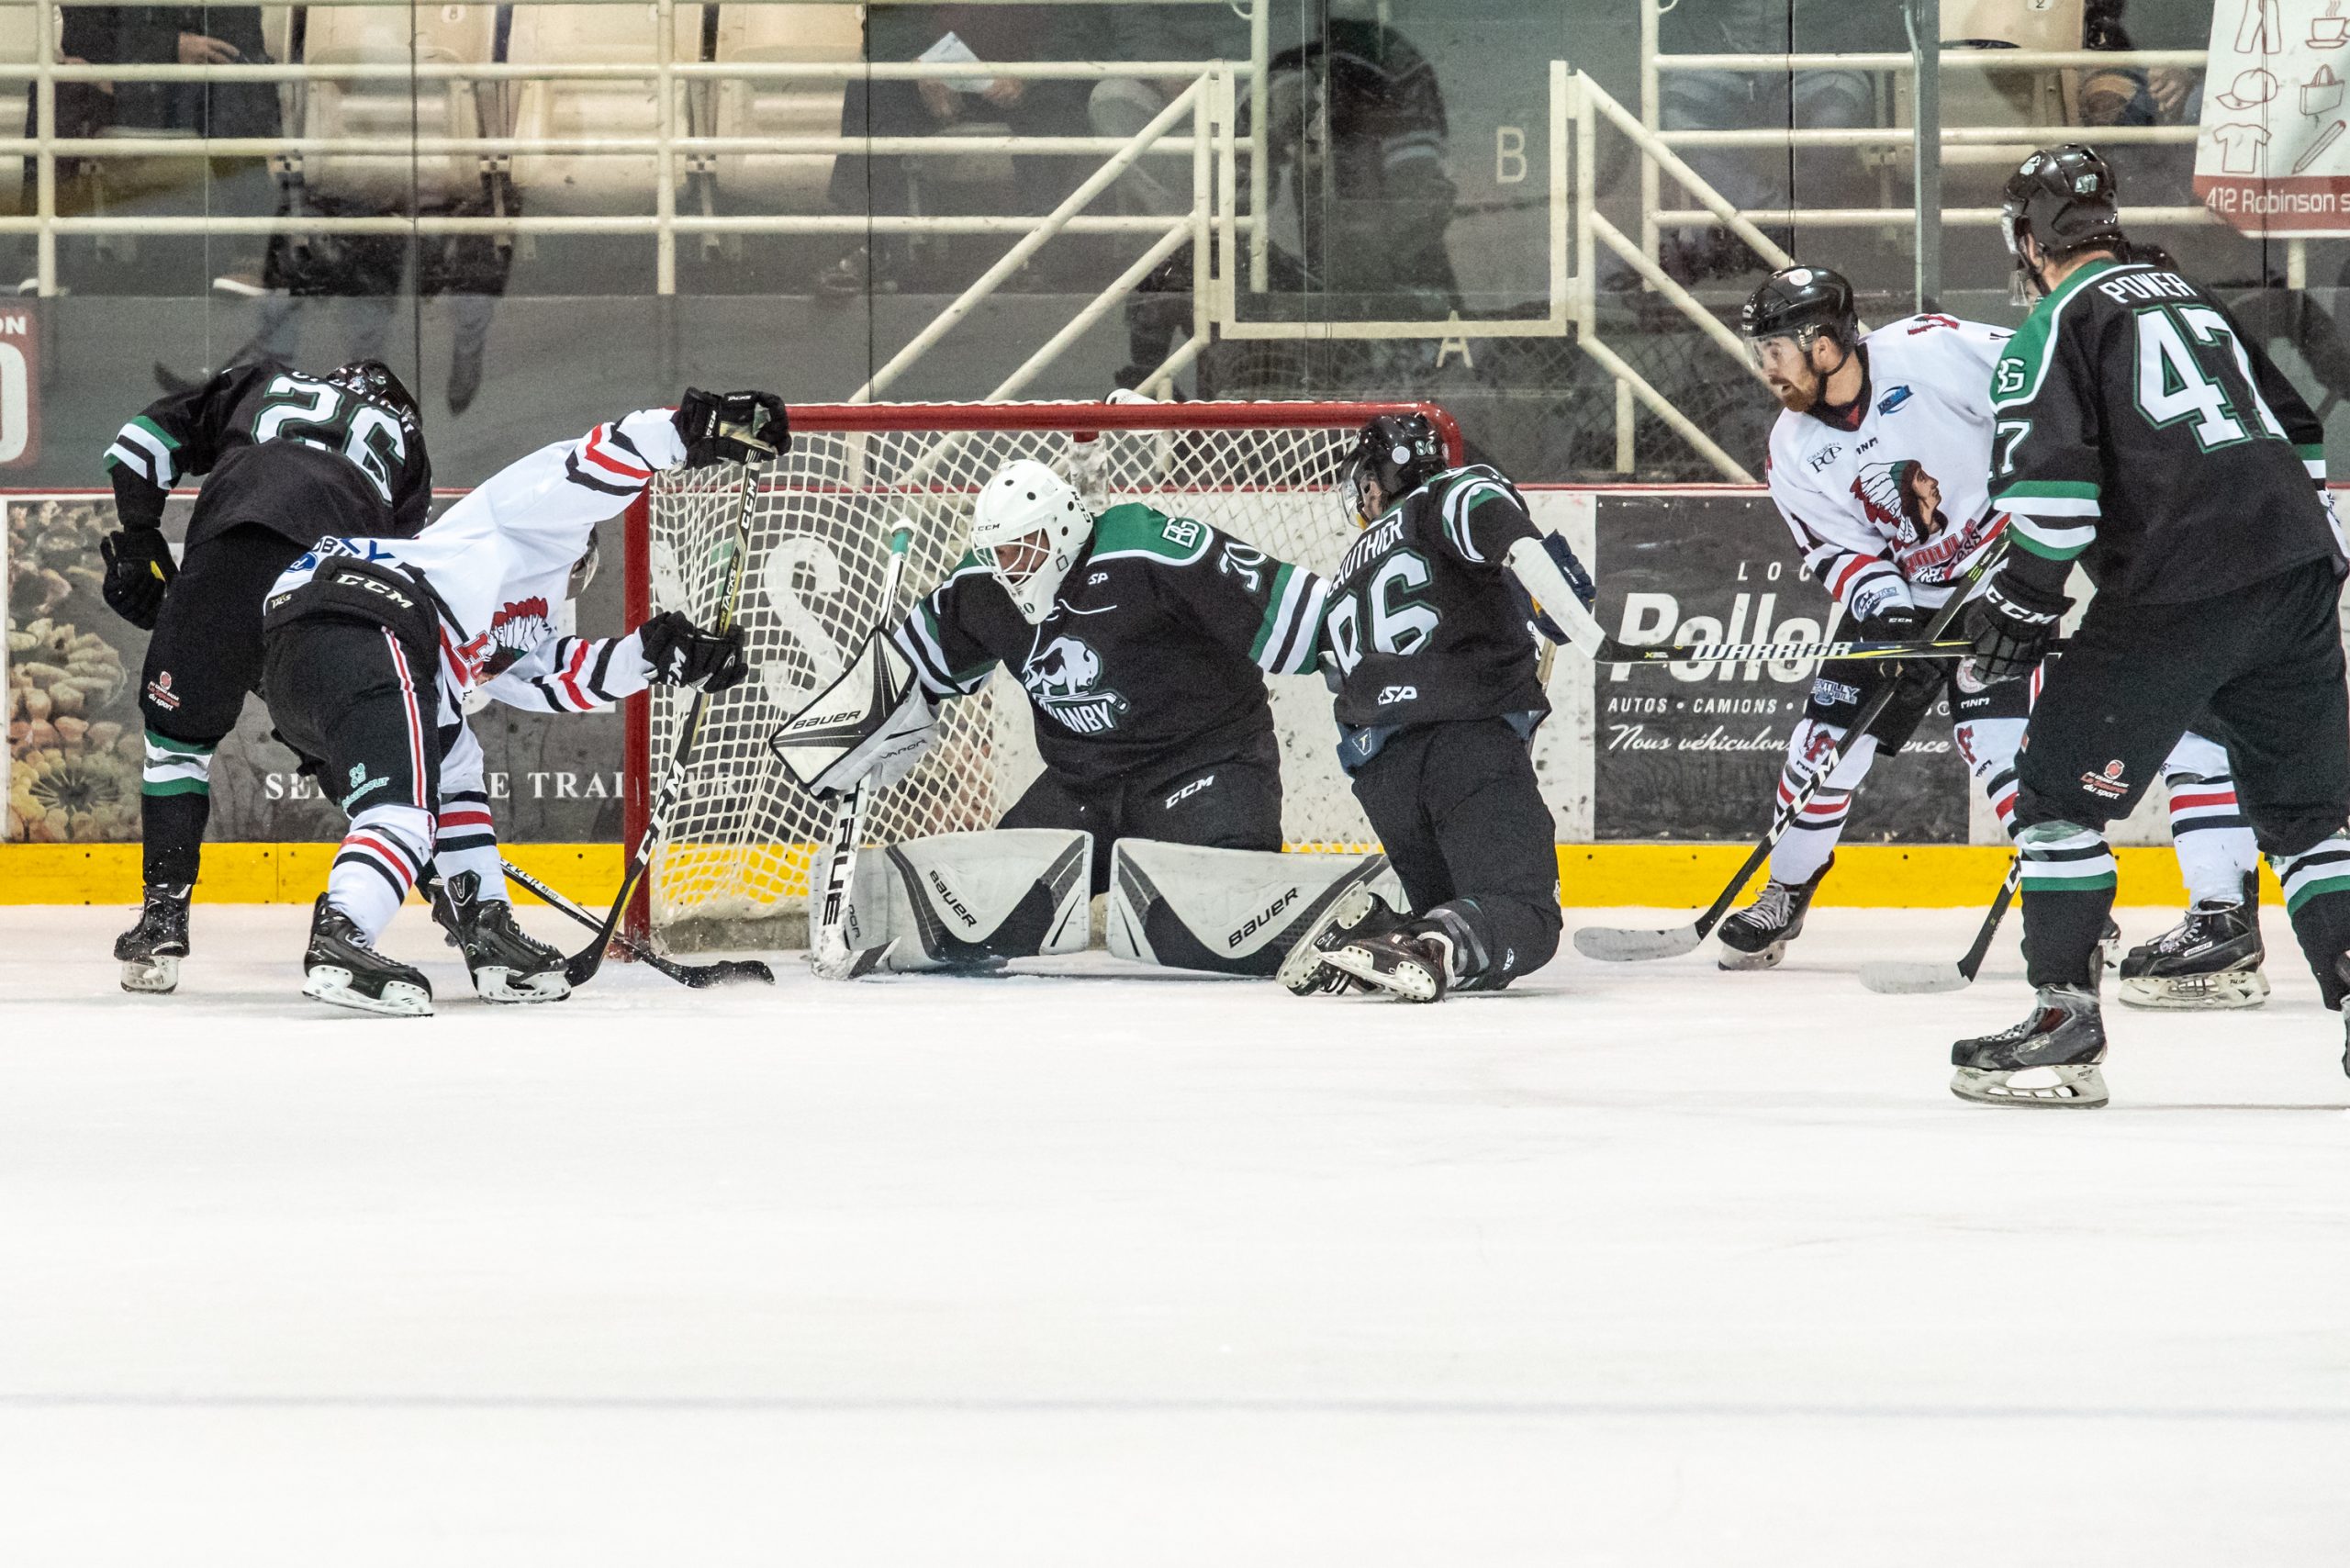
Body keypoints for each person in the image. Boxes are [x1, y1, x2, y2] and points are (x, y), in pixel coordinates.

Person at [1720, 265, 2266, 992]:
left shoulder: (1930, 351)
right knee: (1823, 748)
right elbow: (1834, 548)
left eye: (1775, 349)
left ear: (1823, 345)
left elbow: (2042, 385)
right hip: (1900, 594)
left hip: (2004, 577)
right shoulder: (1791, 446)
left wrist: (2039, 494)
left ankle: (2071, 908)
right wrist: (1887, 610)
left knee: (2004, 749)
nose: (1765, 367)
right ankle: (1786, 890)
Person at [1951, 145, 2350, 1108]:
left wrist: (2020, 602)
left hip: (2179, 587)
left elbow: (2055, 501)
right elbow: (2296, 429)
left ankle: (2061, 1026)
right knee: (2308, 819)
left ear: (2027, 240)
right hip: (2297, 573)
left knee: (2056, 797)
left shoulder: (2056, 322)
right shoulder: (2192, 298)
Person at [256, 390, 785, 1016]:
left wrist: (656, 657)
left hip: (314, 654)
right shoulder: (536, 519)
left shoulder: (508, 611)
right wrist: (689, 431)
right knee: (404, 808)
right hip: (365, 618)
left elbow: (544, 676)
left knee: (455, 764)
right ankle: (343, 935)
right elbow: (594, 460)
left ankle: (488, 931)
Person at [99, 358, 432, 995]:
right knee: (362, 757)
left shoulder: (261, 382)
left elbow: (140, 444)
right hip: (331, 584)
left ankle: (162, 918)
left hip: (230, 555)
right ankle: (464, 905)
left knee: (175, 746)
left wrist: (140, 538)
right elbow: (395, 567)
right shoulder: (406, 444)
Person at [867, 450, 1329, 901]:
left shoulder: (1147, 549)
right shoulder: (982, 585)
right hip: (1083, 787)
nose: (1007, 570)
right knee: (984, 907)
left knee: (1213, 911)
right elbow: (898, 677)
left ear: (1061, 528)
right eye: (998, 554)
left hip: (1204, 768)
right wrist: (861, 726)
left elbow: (1312, 618)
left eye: (1020, 551)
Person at [1286, 413, 1593, 1002]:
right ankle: (1417, 941)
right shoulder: (1443, 495)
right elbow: (1489, 510)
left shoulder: (1350, 570)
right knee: (1525, 914)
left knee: (1468, 920)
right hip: (1465, 746)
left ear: (1373, 484)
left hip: (1383, 777)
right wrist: (1551, 585)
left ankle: (1375, 930)